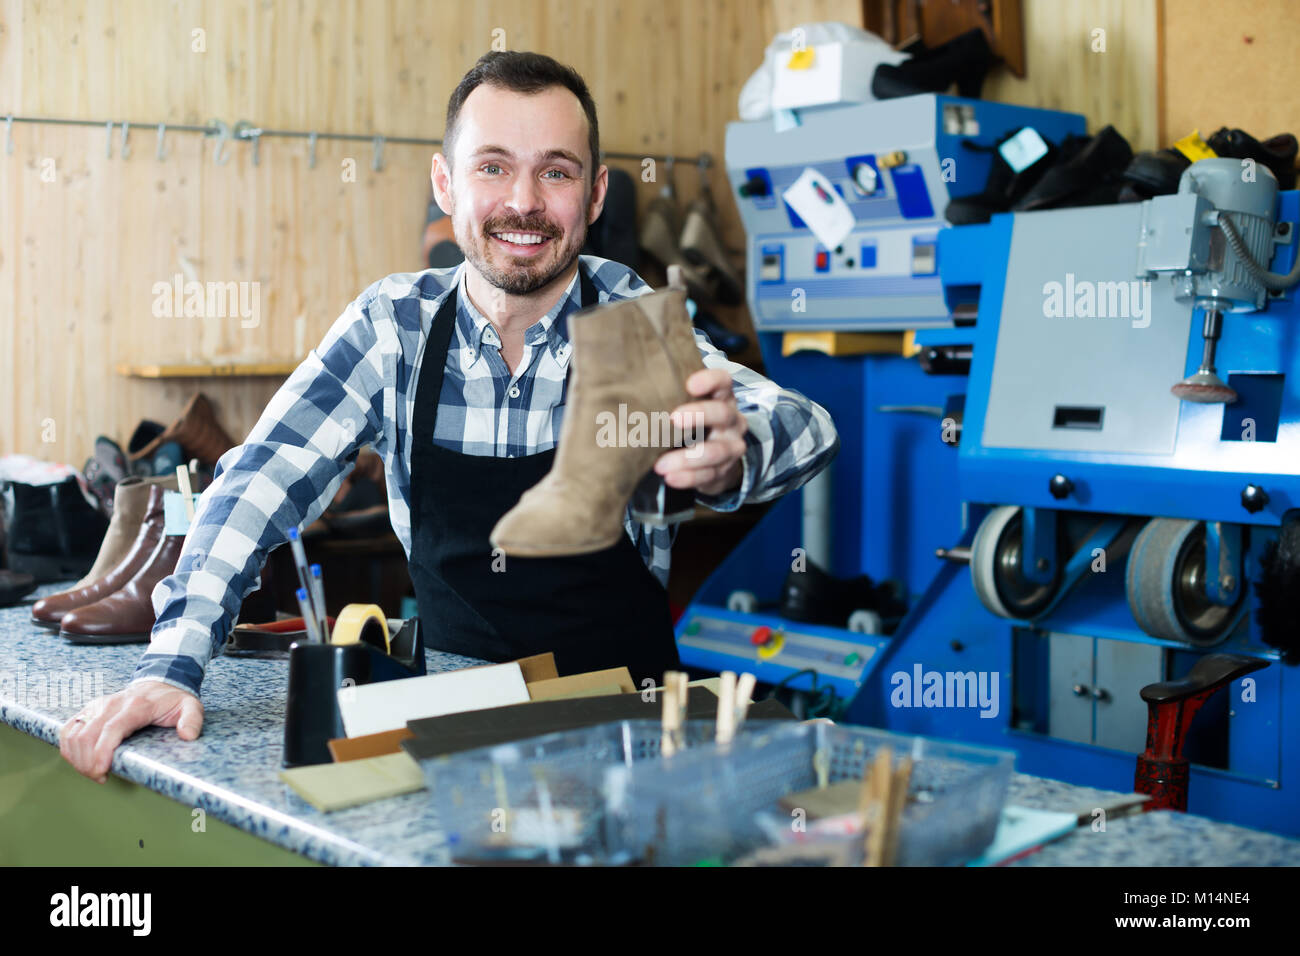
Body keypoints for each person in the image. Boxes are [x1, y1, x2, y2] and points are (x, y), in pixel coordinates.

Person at [60, 50, 838, 782]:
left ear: (596, 194)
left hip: (625, 740)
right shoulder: (391, 327)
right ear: (446, 183)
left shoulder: (634, 325)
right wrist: (171, 665)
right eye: (492, 167)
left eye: (555, 172)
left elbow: (805, 421)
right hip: (450, 729)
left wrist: (737, 452)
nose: (524, 202)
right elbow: (259, 482)